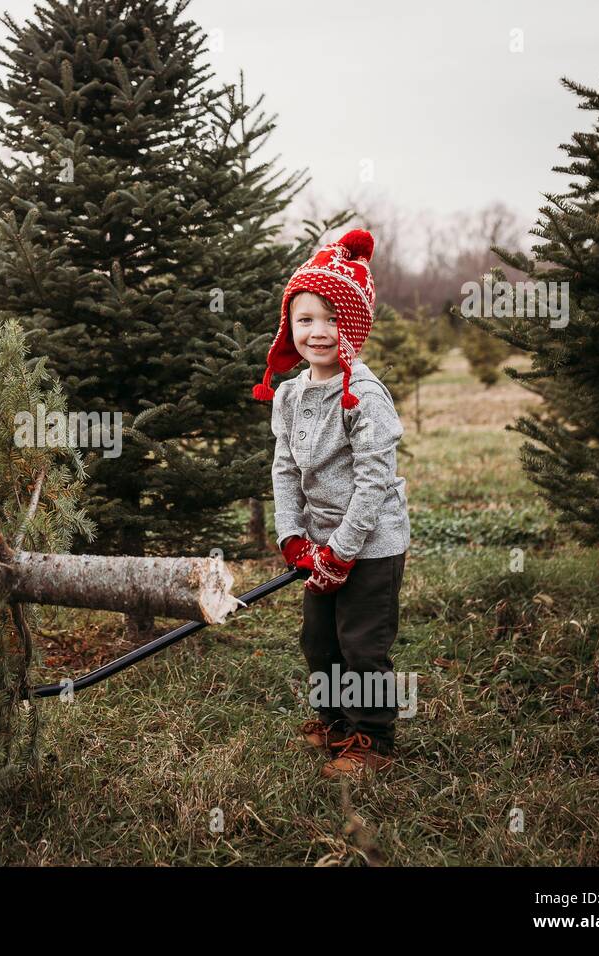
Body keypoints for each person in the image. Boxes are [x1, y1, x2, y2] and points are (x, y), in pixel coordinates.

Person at [252, 229, 411, 777]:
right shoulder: (292, 394)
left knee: (361, 643)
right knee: (320, 640)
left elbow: (373, 483)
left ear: (354, 327)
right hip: (319, 546)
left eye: (332, 319)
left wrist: (341, 551)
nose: (318, 332)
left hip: (369, 546)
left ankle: (372, 738)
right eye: (305, 319)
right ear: (289, 326)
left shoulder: (364, 395)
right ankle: (336, 721)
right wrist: (293, 538)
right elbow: (285, 468)